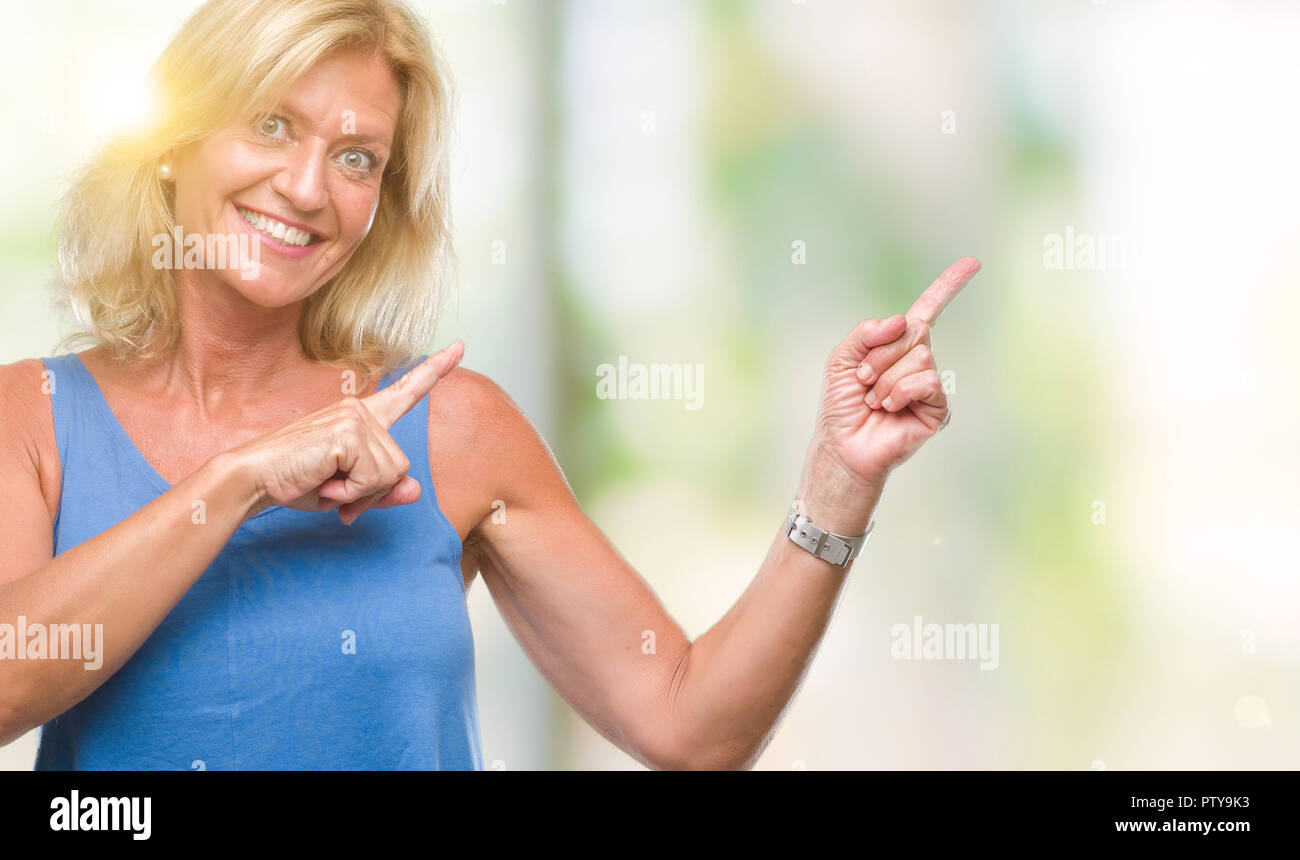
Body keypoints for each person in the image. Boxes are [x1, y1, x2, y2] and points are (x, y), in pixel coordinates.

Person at [0, 0, 980, 770]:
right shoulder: (32, 420)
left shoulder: (453, 425)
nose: (307, 187)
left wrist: (838, 484)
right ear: (175, 139)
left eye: (356, 158)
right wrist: (238, 481)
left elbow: (690, 725)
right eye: (271, 125)